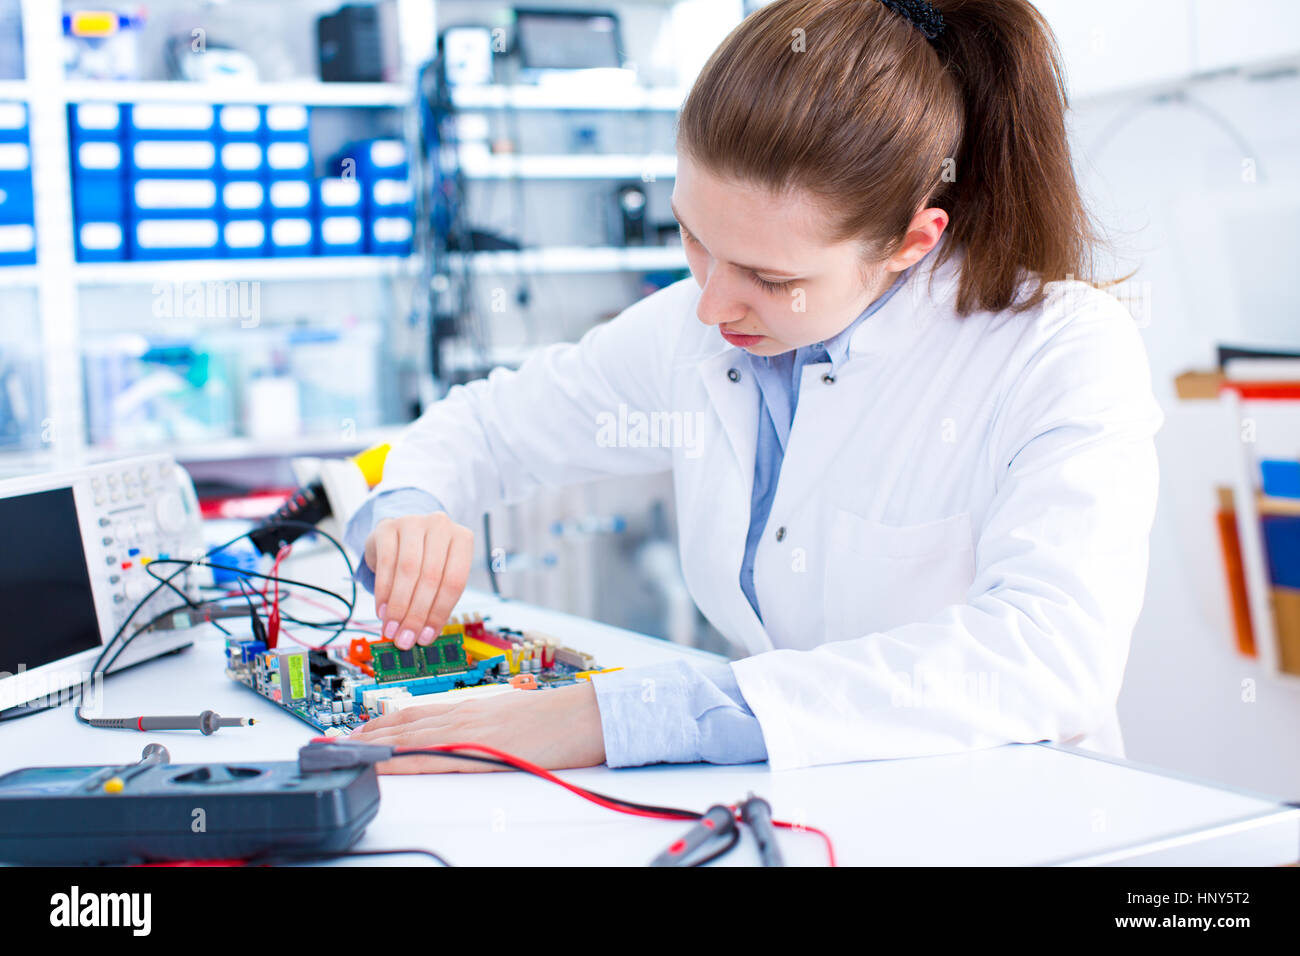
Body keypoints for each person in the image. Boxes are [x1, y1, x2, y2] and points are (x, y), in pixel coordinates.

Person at [344, 0, 1163, 774]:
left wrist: (614, 717)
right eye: (692, 238)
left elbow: (1046, 660)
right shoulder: (694, 329)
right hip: (809, 810)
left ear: (913, 242)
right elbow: (490, 427)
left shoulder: (1059, 350)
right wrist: (410, 501)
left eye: (771, 277)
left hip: (1018, 824)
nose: (711, 302)